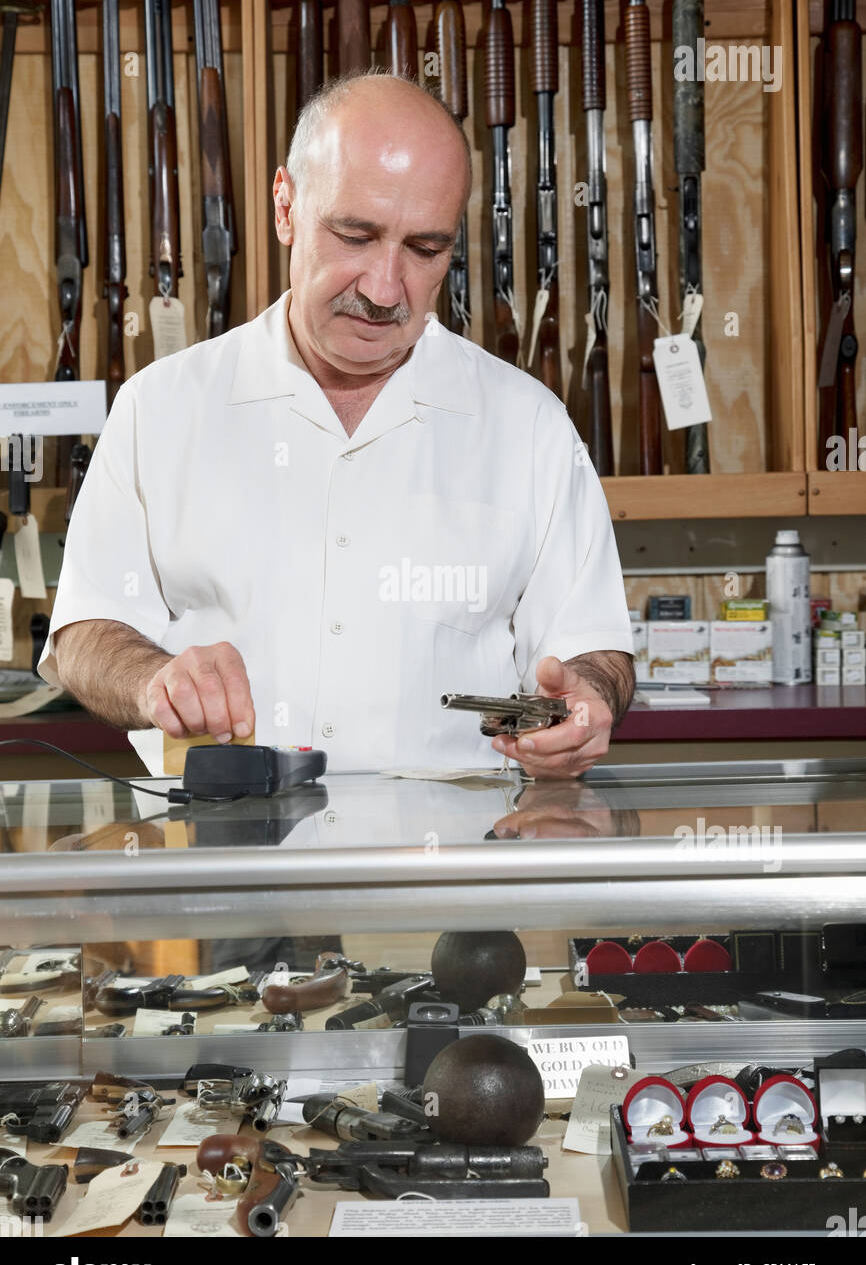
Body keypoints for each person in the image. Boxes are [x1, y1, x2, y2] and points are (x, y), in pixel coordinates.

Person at [39, 72, 635, 781]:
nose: (385, 290)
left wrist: (588, 698)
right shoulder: (160, 408)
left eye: (425, 250)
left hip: (456, 867)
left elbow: (595, 648)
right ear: (285, 206)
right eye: (355, 235)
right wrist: (152, 679)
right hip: (217, 864)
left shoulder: (529, 425)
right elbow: (84, 632)